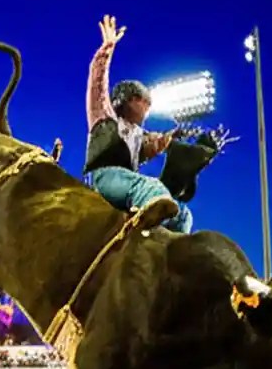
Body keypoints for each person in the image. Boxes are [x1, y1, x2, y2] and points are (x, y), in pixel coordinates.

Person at [82, 15, 192, 232]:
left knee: (182, 214)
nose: (147, 110)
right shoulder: (104, 115)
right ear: (129, 100)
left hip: (126, 183)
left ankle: (171, 248)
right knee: (151, 187)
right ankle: (145, 225)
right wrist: (107, 49)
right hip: (105, 178)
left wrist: (175, 138)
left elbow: (154, 143)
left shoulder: (138, 135)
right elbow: (97, 83)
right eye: (144, 103)